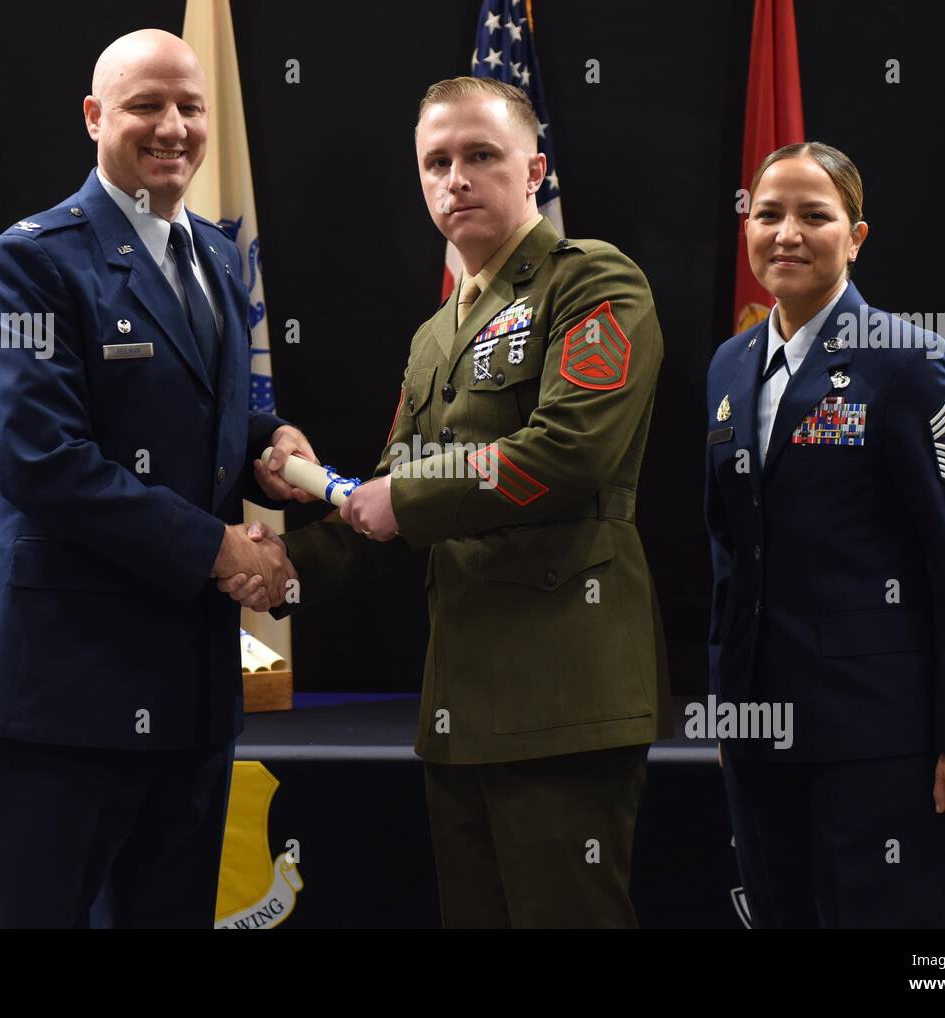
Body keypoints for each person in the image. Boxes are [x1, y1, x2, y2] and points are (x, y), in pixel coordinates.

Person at [231, 76, 672, 928]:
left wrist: (403, 497)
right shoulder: (435, 335)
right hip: (459, 704)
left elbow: (572, 452)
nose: (456, 178)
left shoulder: (593, 281)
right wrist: (282, 568)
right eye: (436, 162)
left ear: (534, 169)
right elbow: (387, 509)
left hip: (565, 694)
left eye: (480, 156)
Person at [0, 28, 312, 928]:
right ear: (94, 117)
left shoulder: (219, 257)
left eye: (190, 107)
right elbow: (44, 461)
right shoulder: (30, 260)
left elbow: (187, 409)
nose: (174, 127)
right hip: (67, 693)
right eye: (145, 106)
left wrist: (268, 440)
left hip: (192, 692)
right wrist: (219, 548)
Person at [705, 141, 945, 928]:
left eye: (814, 216)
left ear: (856, 236)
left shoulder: (909, 361)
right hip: (761, 728)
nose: (787, 234)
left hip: (880, 734)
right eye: (769, 215)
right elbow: (731, 551)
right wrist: (729, 706)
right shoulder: (729, 365)